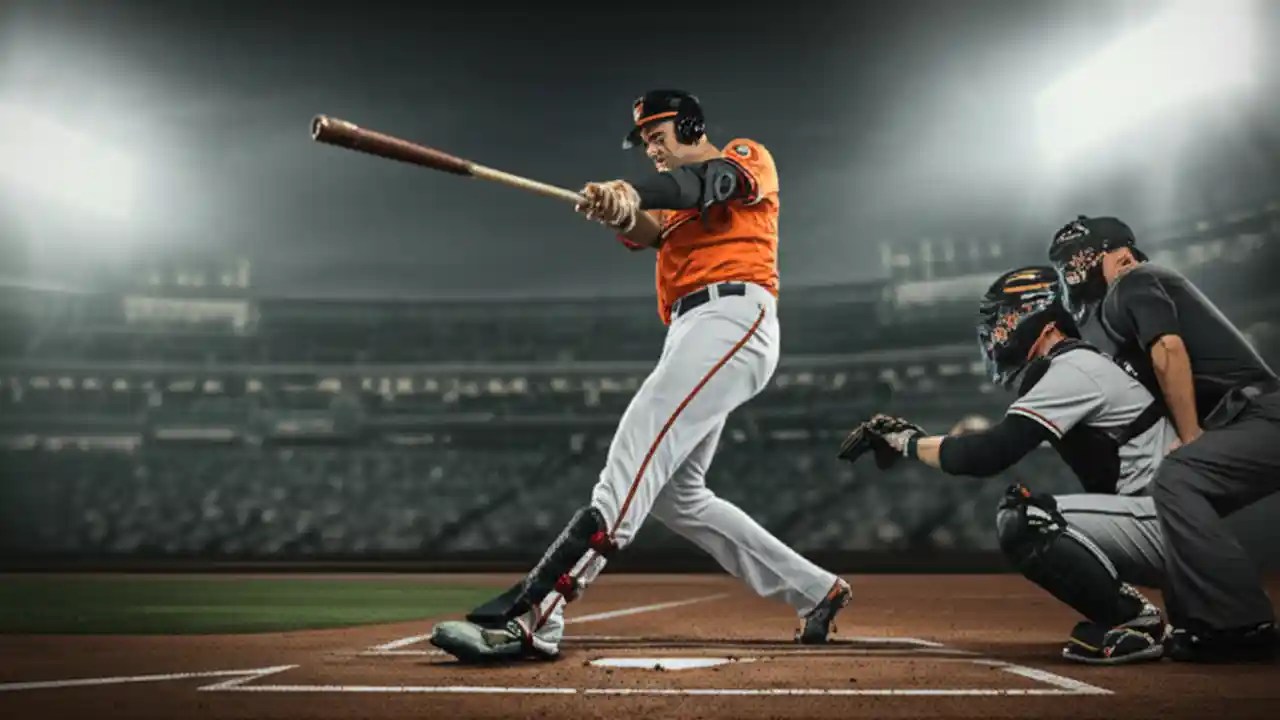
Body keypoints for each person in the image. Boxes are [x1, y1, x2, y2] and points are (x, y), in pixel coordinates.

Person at [428, 89, 849, 662]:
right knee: (680, 497)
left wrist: (632, 192)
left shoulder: (744, 157)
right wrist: (619, 211)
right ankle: (814, 589)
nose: (650, 147)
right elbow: (650, 228)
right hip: (692, 329)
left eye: (658, 134)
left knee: (633, 455)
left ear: (693, 124)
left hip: (733, 315)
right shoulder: (672, 200)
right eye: (645, 140)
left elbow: (708, 185)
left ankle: (536, 617)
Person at [839, 266, 1174, 665]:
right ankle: (1144, 617)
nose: (997, 332)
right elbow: (989, 444)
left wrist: (905, 441)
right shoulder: (1075, 368)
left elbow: (988, 454)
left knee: (1026, 518)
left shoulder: (1073, 370)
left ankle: (1136, 621)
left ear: (1043, 320)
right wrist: (916, 440)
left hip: (1163, 523)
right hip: (1163, 519)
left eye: (1004, 318)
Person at [1049, 215, 1280, 662]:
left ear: (1119, 254)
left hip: (1260, 414)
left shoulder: (1135, 280)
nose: (1071, 270)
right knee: (1173, 490)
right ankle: (1201, 621)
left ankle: (1239, 621)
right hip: (1248, 418)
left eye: (1078, 256)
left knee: (1176, 477)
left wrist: (1191, 433)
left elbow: (1168, 349)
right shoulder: (1117, 306)